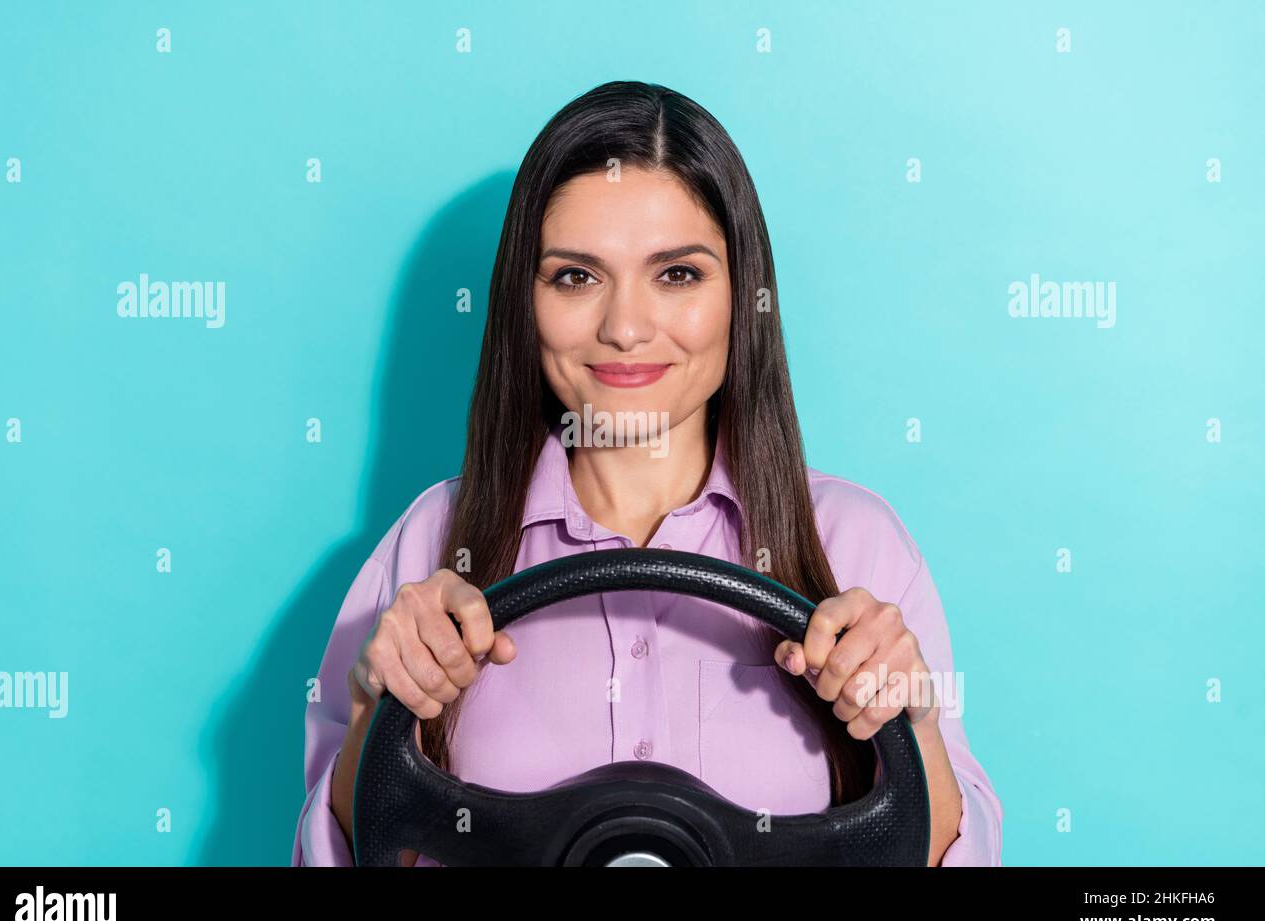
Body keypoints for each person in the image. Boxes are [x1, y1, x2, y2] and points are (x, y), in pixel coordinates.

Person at [292, 80, 1002, 867]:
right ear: (521, 302)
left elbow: (956, 853)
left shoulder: (858, 546)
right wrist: (374, 710)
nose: (625, 328)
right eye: (575, 276)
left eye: (677, 275)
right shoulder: (432, 545)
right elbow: (337, 853)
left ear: (742, 296)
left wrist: (914, 723)